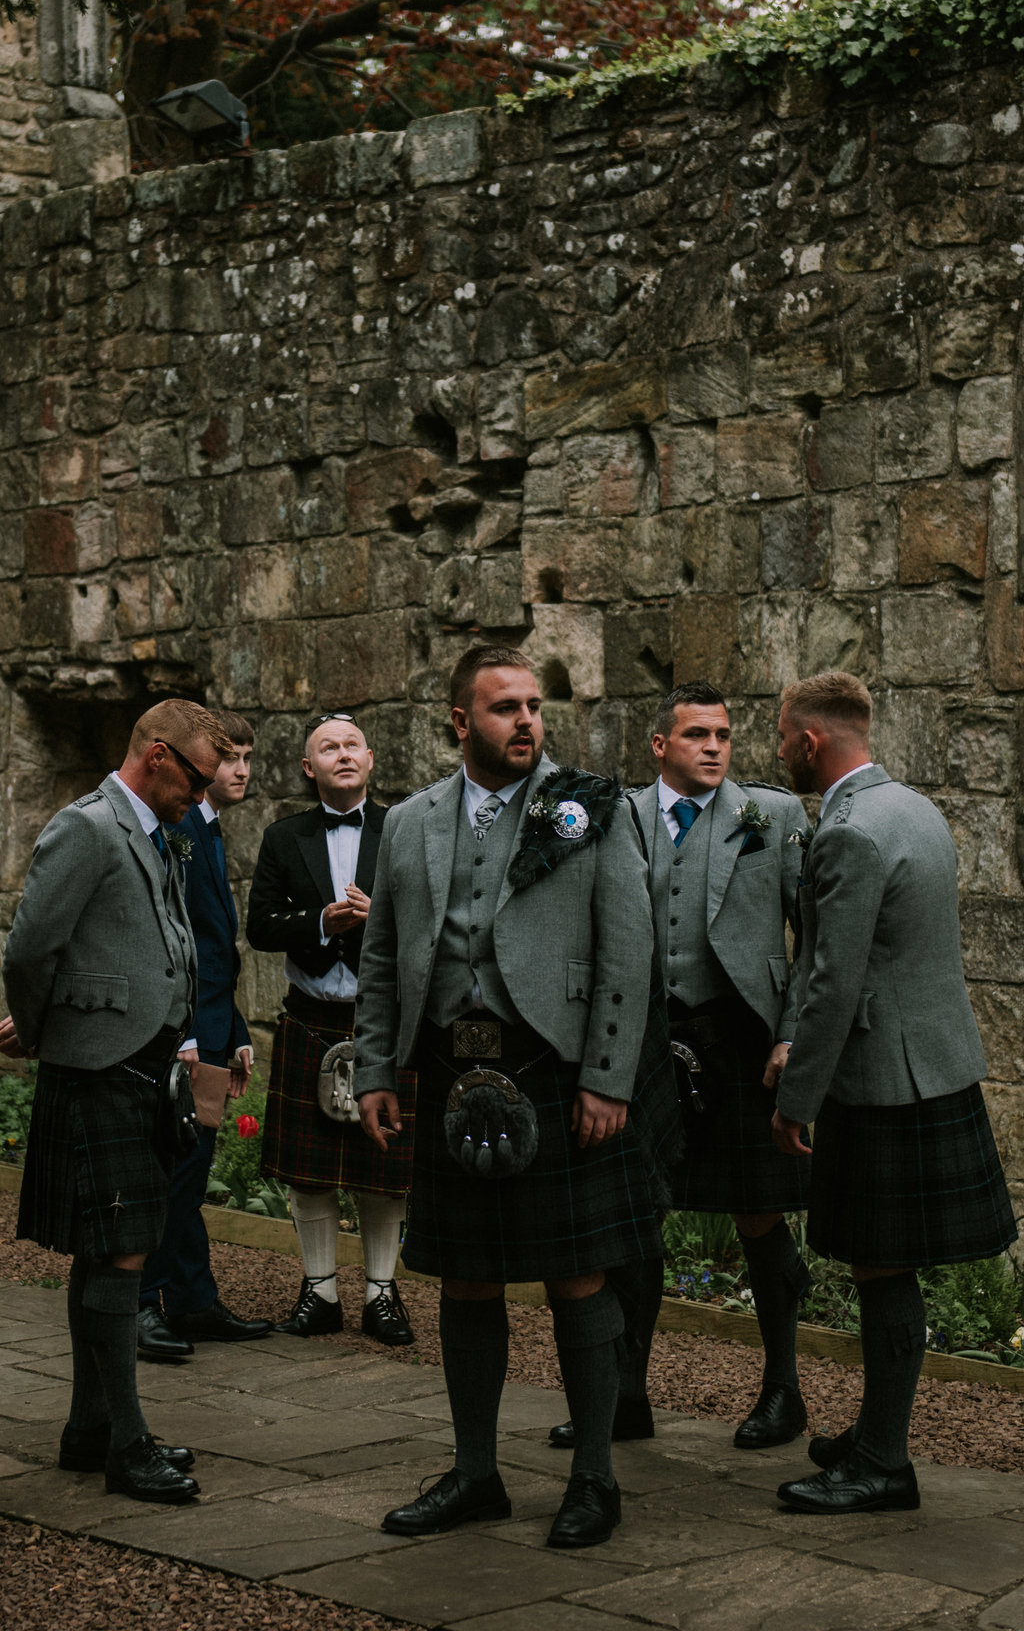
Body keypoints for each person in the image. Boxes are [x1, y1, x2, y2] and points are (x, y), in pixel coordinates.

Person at [353, 644, 655, 1551]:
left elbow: (626, 954)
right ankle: (476, 1473)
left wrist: (607, 1077)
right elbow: (381, 958)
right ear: (459, 722)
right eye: (503, 708)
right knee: (468, 1275)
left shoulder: (590, 810)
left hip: (555, 1073)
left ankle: (595, 1477)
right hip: (451, 1074)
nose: (526, 720)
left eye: (533, 705)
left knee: (577, 1271)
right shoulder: (409, 821)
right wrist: (375, 1068)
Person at [766, 671, 1016, 1516]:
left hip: (883, 1077)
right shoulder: (911, 807)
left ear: (809, 740)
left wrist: (797, 1095)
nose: (776, 752)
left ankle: (882, 1461)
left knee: (881, 1267)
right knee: (888, 1264)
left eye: (779, 737)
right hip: (930, 1060)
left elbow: (836, 979)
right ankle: (878, 1433)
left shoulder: (850, 833)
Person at [549, 681, 815, 1459]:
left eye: (724, 735)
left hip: (741, 1041)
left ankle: (784, 1388)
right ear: (660, 745)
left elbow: (818, 939)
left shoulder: (775, 816)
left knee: (758, 1212)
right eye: (696, 734)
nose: (713, 747)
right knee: (635, 1216)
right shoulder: (617, 817)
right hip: (642, 1040)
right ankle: (626, 1396)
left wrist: (791, 1035)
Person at [0, 697, 227, 1506]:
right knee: (121, 1255)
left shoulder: (162, 830)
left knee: (106, 1250)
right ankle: (127, 1446)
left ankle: (89, 1428)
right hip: (97, 1066)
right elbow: (31, 946)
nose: (204, 792)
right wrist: (39, 1023)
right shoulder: (88, 827)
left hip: (144, 1065)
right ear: (157, 756)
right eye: (195, 777)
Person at [244, 712, 411, 1347]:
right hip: (311, 1016)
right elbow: (260, 926)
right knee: (308, 1171)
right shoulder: (284, 837)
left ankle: (381, 1293)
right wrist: (321, 923)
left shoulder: (403, 829)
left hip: (380, 1017)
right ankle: (319, 1292)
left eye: (351, 746)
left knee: (383, 1159)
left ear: (370, 760)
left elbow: (430, 921)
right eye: (327, 749)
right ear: (309, 768)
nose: (342, 755)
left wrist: (376, 921)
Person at [138, 711, 276, 1361]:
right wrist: (191, 1034)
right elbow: (174, 936)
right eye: (229, 758)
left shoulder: (208, 830)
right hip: (188, 1036)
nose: (239, 770)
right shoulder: (181, 828)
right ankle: (143, 1304)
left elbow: (216, 949)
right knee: (170, 1172)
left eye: (248, 756)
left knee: (192, 1176)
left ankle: (192, 1300)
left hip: (214, 1031)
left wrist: (238, 1028)